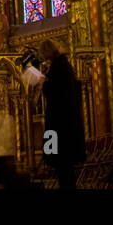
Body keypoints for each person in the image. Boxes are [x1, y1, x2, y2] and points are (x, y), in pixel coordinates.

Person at [40, 40, 86, 189]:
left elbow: (54, 92)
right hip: (66, 124)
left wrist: (43, 82)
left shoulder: (59, 67)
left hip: (61, 126)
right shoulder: (63, 65)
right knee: (64, 167)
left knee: (63, 165)